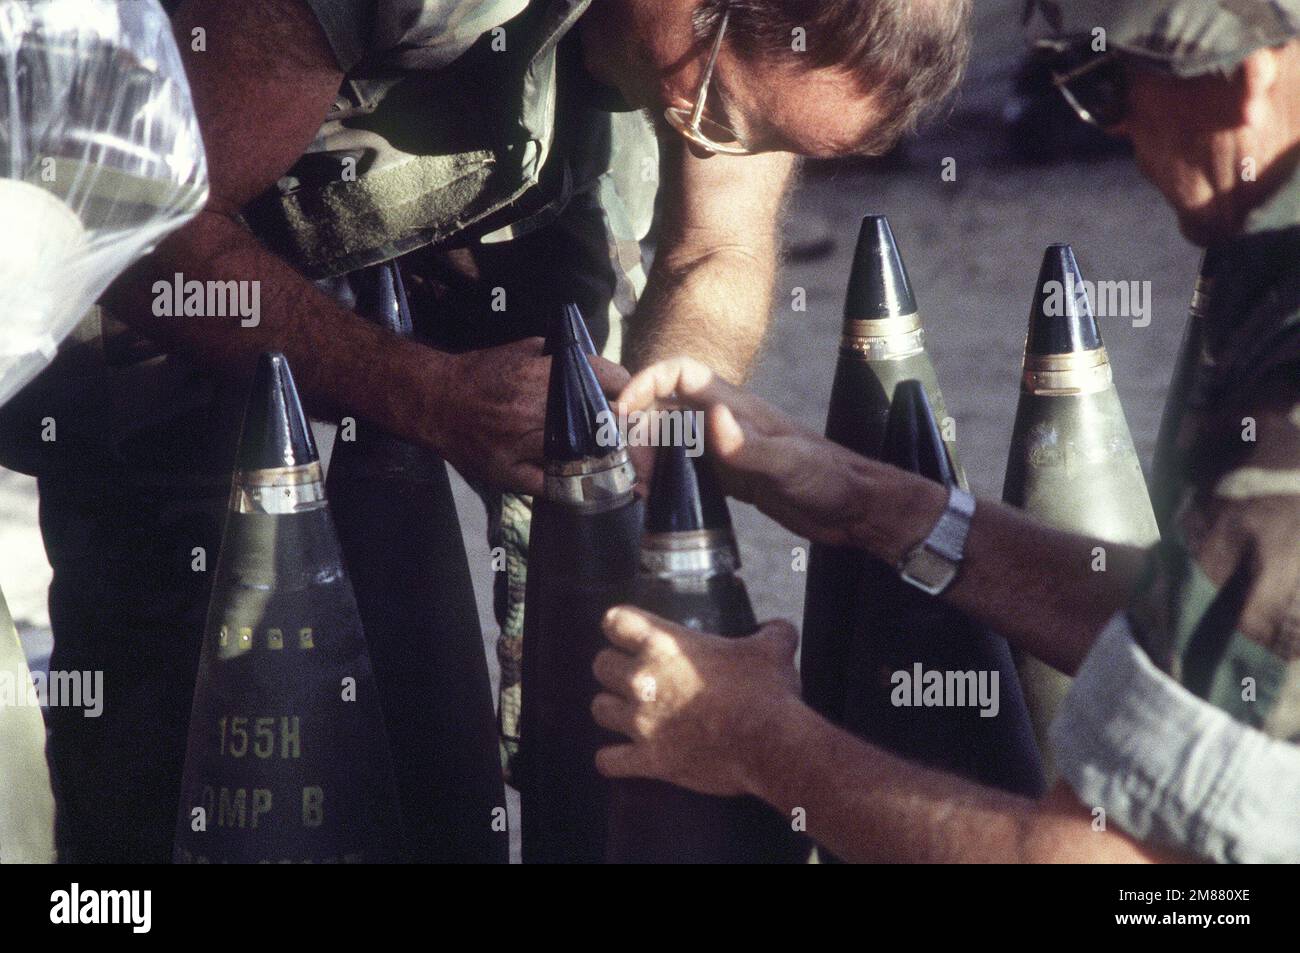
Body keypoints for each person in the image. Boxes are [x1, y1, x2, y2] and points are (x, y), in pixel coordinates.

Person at [0, 0, 971, 862]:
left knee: (577, 536)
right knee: (190, 597)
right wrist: (417, 393)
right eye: (716, 113)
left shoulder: (747, 58)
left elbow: (715, 252)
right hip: (189, 199)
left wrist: (640, 423)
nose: (709, 141)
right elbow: (136, 223)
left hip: (506, 171)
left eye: (758, 138)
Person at [593, 0, 1300, 863]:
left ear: (1242, 79)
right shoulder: (1269, 255)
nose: (1110, 131)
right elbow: (1222, 642)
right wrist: (869, 501)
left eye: (1109, 85)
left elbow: (1111, 874)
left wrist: (751, 739)